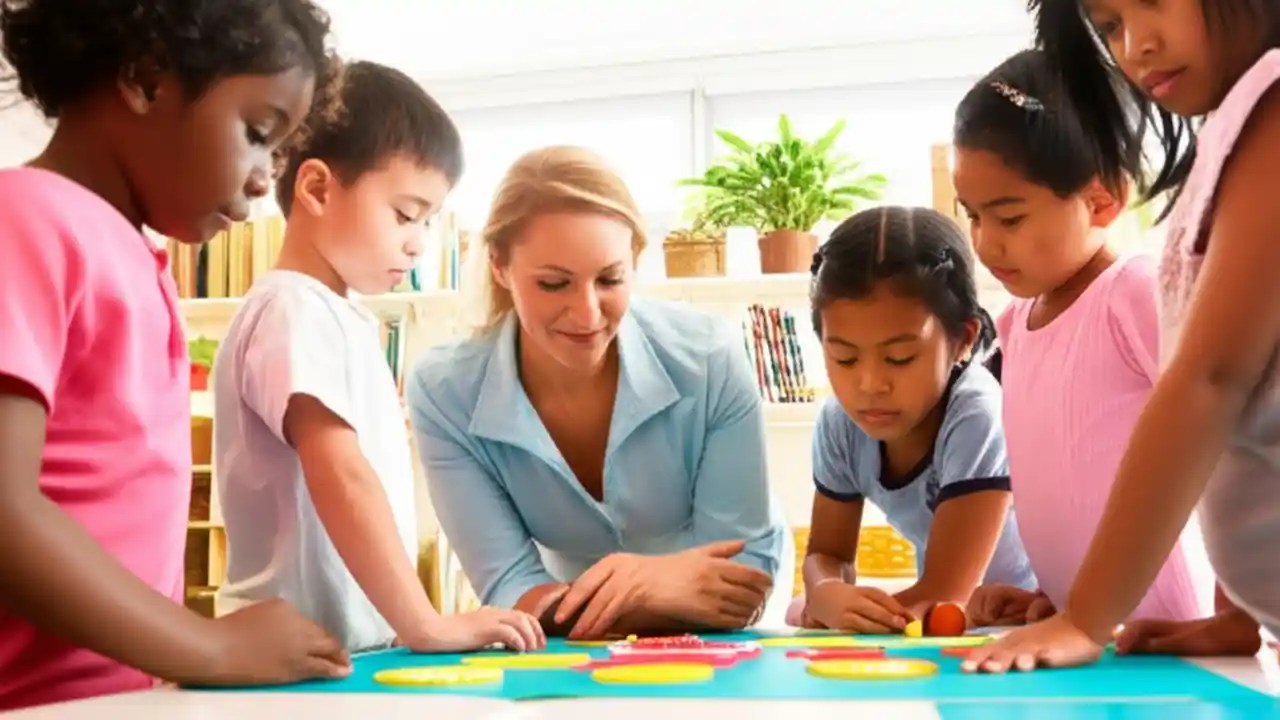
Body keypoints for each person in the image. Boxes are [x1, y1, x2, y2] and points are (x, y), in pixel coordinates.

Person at [0, 0, 351, 710]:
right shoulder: (26, 217)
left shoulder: (130, 251)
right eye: (257, 135)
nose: (263, 181)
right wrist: (211, 645)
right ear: (147, 78)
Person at [964, 0, 1280, 673]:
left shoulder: (1275, 108)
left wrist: (1087, 617)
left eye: (1155, 1)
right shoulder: (1240, 128)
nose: (1135, 45)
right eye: (1109, 26)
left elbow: (1210, 379)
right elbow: (1244, 412)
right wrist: (1234, 618)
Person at [213, 61, 544, 655]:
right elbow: (340, 471)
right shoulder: (293, 308)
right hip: (292, 656)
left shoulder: (340, 317)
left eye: (428, 221)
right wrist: (424, 622)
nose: (418, 241)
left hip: (342, 649)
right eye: (404, 214)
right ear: (317, 189)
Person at [407, 146, 789, 640]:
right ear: (500, 265)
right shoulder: (445, 393)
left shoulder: (710, 357)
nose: (587, 315)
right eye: (553, 284)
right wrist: (652, 590)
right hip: (572, 629)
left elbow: (741, 580)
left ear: (635, 262)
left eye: (610, 279)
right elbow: (507, 581)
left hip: (637, 624)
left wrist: (639, 581)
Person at [784, 206, 1036, 632]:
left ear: (963, 340)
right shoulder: (840, 423)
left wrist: (833, 612)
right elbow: (828, 556)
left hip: (1022, 615)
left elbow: (943, 592)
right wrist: (827, 590)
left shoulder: (977, 413)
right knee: (802, 609)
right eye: (843, 357)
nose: (869, 384)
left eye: (900, 358)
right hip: (946, 616)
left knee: (808, 615)